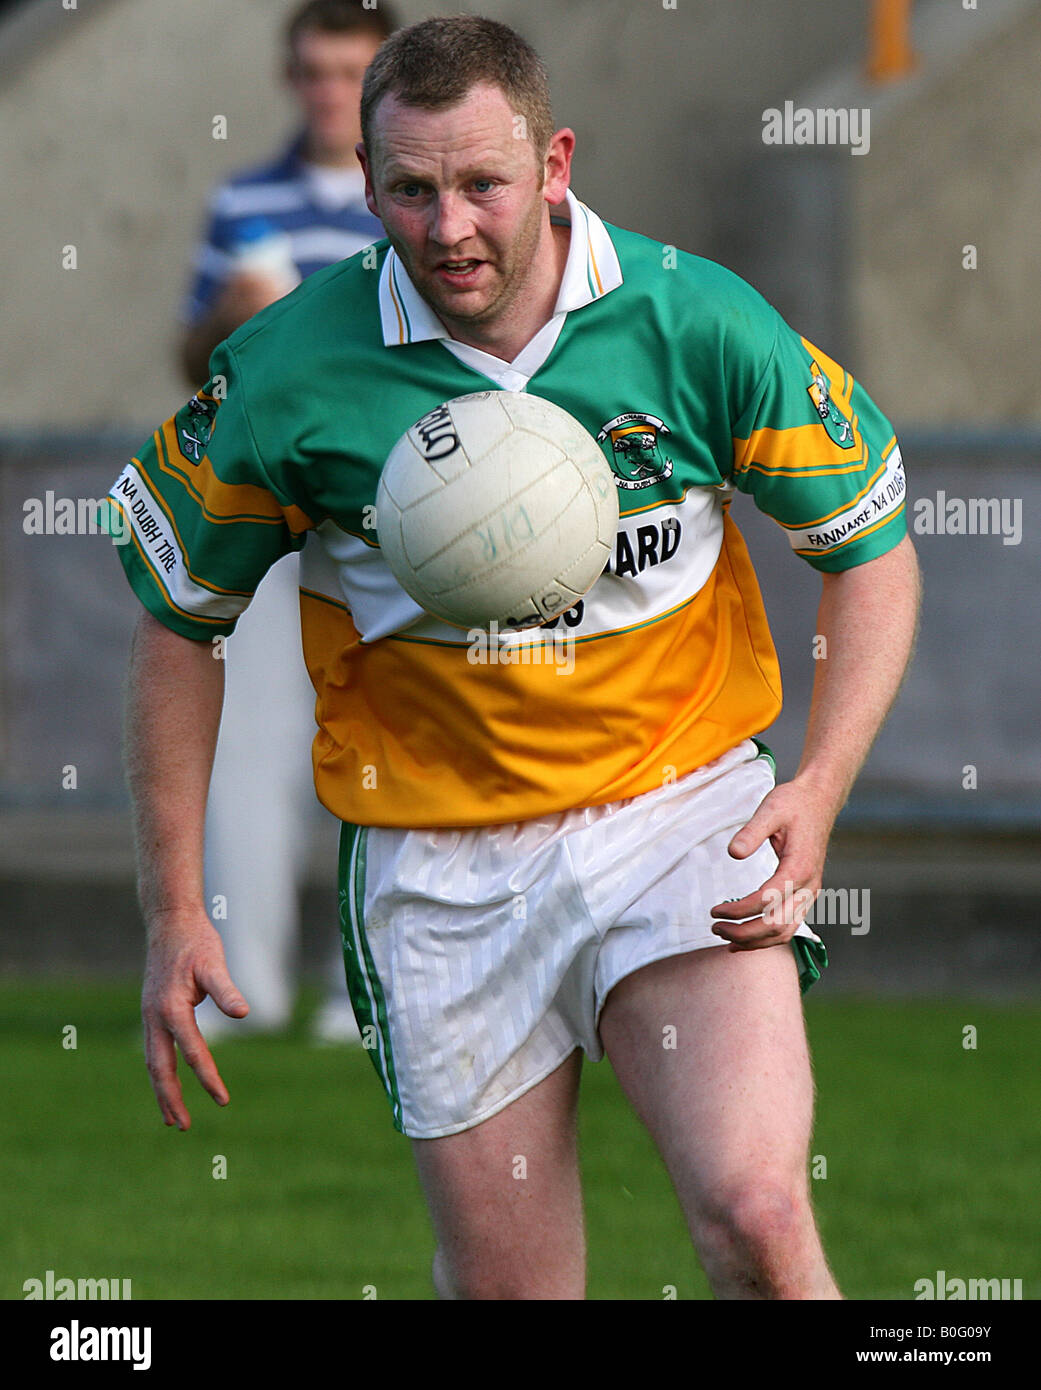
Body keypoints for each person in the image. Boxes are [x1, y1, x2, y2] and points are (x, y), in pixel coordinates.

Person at [108, 15, 921, 1299]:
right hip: (439, 864)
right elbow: (176, 621)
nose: (450, 229)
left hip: (677, 812)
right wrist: (172, 908)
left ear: (555, 165)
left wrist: (819, 785)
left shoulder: (693, 320)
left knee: (761, 1213)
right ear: (366, 183)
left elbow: (870, 549)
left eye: (484, 182)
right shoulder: (285, 374)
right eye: (413, 191)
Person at [180, 0, 398, 1042]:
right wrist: (232, 317)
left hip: (385, 512)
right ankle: (244, 984)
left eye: (348, 71)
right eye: (312, 70)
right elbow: (195, 365)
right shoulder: (244, 199)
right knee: (247, 751)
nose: (326, 90)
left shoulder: (409, 195)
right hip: (266, 508)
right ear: (291, 76)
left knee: (382, 740)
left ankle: (364, 984)